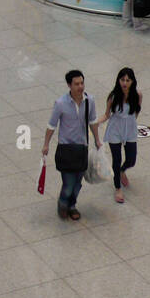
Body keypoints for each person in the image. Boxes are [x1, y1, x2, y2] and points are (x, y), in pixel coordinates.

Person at [40, 70, 101, 221]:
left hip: (82, 148)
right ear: (69, 85)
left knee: (78, 183)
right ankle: (63, 203)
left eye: (82, 83)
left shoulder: (90, 101)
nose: (80, 87)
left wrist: (97, 140)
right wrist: (46, 144)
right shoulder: (61, 103)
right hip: (66, 149)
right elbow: (51, 125)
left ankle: (72, 205)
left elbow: (93, 121)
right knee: (68, 183)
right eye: (76, 84)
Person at [96, 68, 140, 203]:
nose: (125, 83)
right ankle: (118, 188)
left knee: (131, 159)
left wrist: (131, 123)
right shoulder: (113, 97)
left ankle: (122, 170)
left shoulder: (137, 95)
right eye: (122, 80)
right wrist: (95, 123)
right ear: (118, 81)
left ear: (132, 81)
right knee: (116, 159)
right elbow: (107, 114)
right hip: (115, 129)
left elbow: (136, 111)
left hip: (130, 130)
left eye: (128, 80)